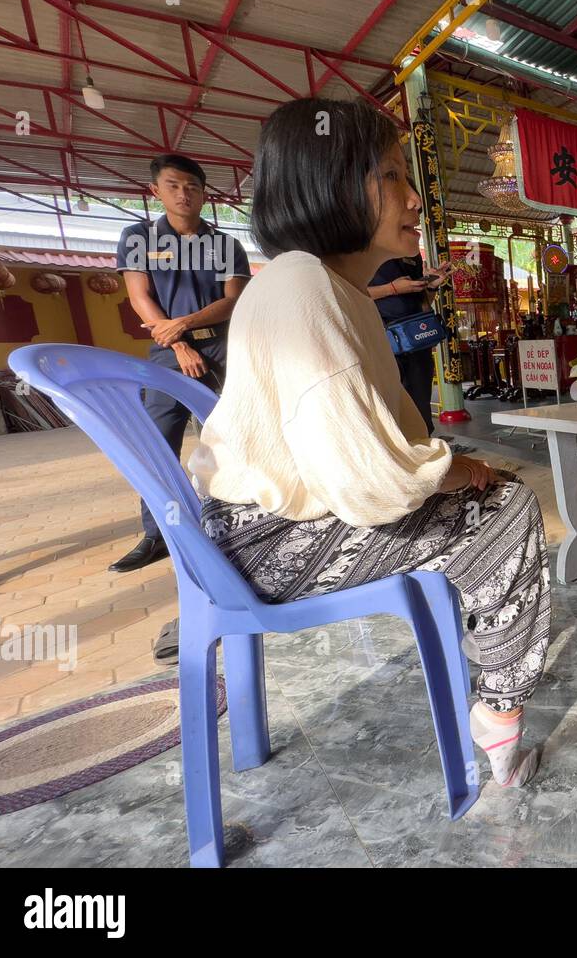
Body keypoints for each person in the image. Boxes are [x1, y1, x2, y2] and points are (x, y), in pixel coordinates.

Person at [188, 98, 549, 787]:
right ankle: (500, 715)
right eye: (391, 177)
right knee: (507, 511)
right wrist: (456, 469)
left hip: (261, 529)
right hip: (269, 546)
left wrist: (445, 469)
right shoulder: (303, 288)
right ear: (328, 182)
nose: (413, 197)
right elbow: (372, 486)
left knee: (479, 498)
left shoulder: (327, 288)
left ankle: (491, 658)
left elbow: (385, 447)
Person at [111, 154, 250, 574]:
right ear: (156, 191)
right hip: (167, 356)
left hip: (225, 351)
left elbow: (233, 299)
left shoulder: (225, 245)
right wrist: (179, 346)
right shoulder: (139, 237)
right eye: (172, 185)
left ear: (205, 194)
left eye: (191, 186)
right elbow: (140, 298)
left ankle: (239, 523)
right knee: (157, 444)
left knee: (235, 437)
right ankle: (158, 535)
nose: (183, 193)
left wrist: (186, 325)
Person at [367, 251, 452, 433]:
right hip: (382, 342)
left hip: (416, 342)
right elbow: (351, 292)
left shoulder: (412, 255)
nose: (416, 232)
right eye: (409, 227)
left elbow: (422, 302)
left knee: (420, 410)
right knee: (389, 411)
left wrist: (430, 286)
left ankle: (426, 448)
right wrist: (392, 288)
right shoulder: (362, 248)